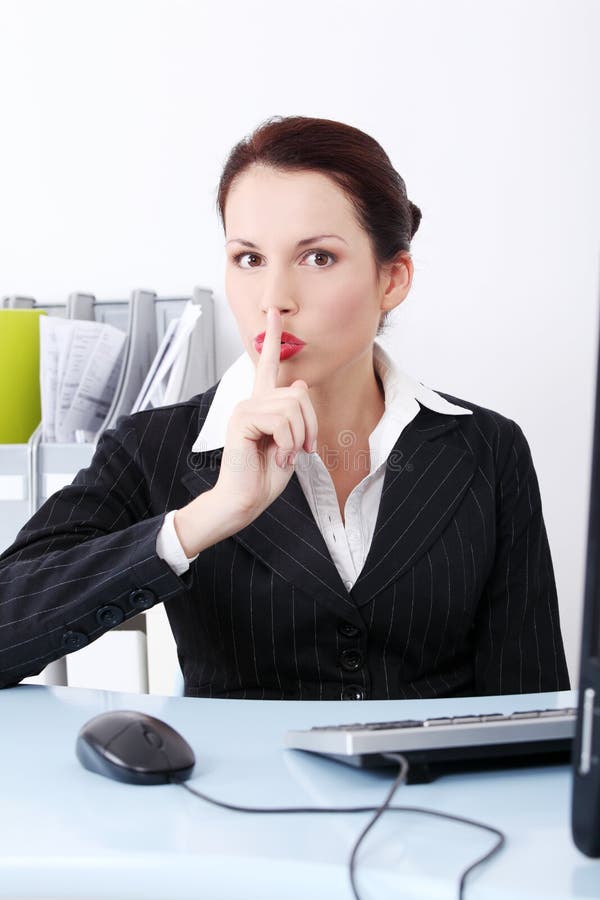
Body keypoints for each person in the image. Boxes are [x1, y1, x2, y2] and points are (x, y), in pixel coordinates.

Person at [0, 115, 569, 700]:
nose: (274, 300)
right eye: (249, 259)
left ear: (392, 278)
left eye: (317, 258)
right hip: (236, 791)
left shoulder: (488, 449)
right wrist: (212, 512)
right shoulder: (153, 447)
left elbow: (532, 705)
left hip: (435, 791)